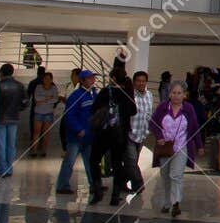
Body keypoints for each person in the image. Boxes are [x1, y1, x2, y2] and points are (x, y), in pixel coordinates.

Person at [151, 82, 197, 217]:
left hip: (182, 147)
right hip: (165, 147)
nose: (176, 96)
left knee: (176, 175)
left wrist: (199, 146)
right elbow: (153, 123)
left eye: (179, 93)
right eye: (174, 93)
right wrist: (159, 136)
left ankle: (175, 202)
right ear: (169, 94)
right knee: (165, 176)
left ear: (184, 95)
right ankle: (167, 202)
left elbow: (194, 127)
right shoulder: (162, 107)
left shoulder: (188, 108)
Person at [92, 73, 138, 206]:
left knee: (94, 161)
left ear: (113, 79)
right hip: (119, 135)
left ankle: (97, 191)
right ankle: (115, 196)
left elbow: (94, 108)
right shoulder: (126, 94)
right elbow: (133, 111)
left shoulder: (105, 92)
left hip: (103, 134)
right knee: (117, 164)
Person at [56, 70, 102, 200]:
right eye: (90, 78)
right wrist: (78, 129)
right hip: (76, 137)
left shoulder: (93, 95)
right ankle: (62, 185)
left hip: (89, 136)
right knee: (69, 161)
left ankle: (94, 185)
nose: (93, 80)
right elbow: (69, 116)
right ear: (82, 81)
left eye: (93, 78)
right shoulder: (75, 96)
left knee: (90, 162)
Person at [0, 64, 25, 178]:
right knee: (11, 145)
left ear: (2, 73)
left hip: (0, 118)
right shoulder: (19, 86)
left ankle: (1, 170)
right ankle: (9, 169)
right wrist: (17, 109)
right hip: (14, 118)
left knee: (0, 145)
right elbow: (25, 102)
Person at [128, 69, 154, 196]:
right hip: (130, 133)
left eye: (143, 81)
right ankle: (138, 185)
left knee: (132, 162)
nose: (141, 83)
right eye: (138, 81)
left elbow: (149, 114)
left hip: (142, 133)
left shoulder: (149, 95)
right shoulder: (130, 95)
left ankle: (123, 182)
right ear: (134, 82)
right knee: (132, 161)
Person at [30, 69, 60, 157]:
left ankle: (44, 151)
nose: (46, 80)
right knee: (36, 133)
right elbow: (36, 99)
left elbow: (55, 99)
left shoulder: (54, 88)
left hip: (48, 113)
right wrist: (48, 98)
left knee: (45, 133)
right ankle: (34, 150)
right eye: (45, 78)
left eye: (48, 78)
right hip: (38, 112)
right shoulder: (38, 87)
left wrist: (43, 99)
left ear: (51, 79)